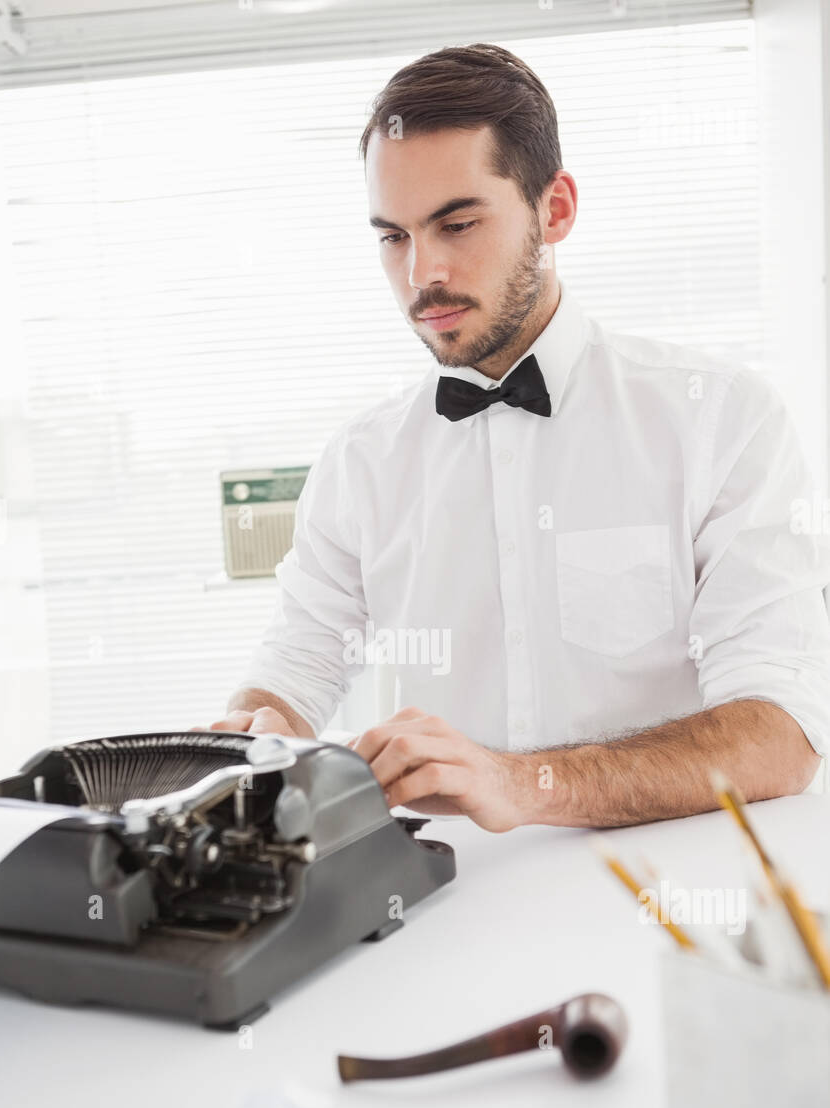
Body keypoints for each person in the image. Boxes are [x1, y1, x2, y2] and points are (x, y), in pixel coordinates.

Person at [207, 43, 830, 832]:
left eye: (457, 223)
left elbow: (782, 732)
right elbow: (295, 666)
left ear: (555, 209)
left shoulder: (723, 421)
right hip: (437, 916)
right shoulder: (359, 463)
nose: (420, 273)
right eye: (392, 237)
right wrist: (254, 727)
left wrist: (522, 783)